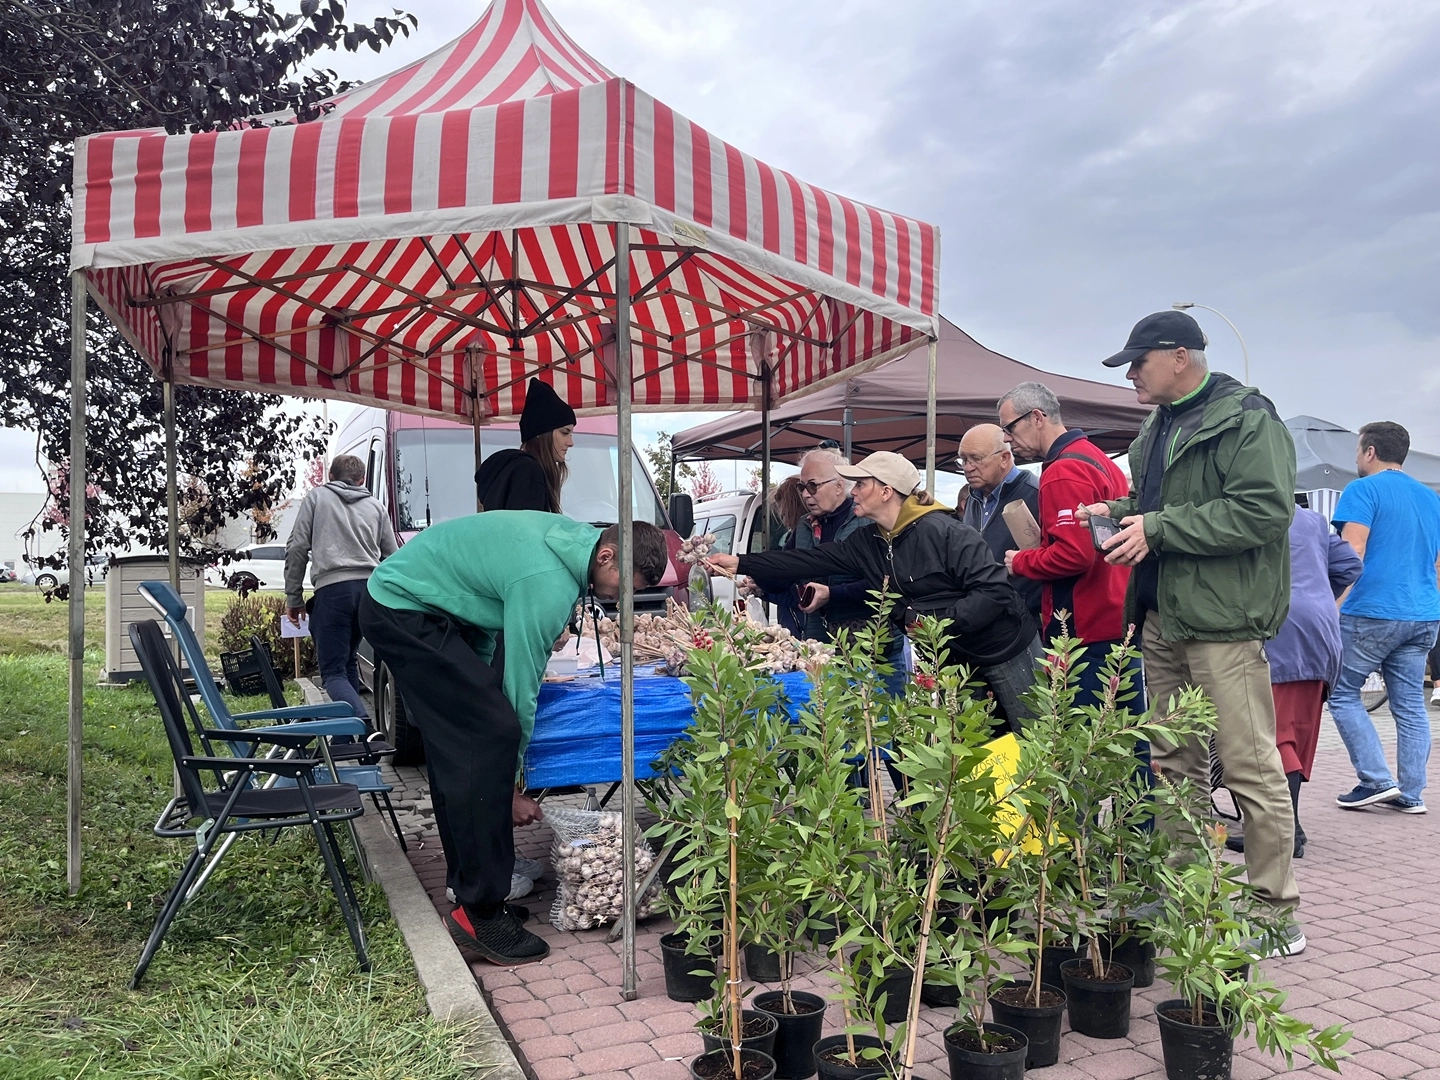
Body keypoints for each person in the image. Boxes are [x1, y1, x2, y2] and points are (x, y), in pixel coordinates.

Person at [1077, 309, 1304, 955]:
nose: (1131, 376)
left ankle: (1274, 912)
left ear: (1180, 356)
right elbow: (1160, 508)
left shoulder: (1247, 417)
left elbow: (1263, 511)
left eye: (1138, 362)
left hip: (1223, 623)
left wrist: (1157, 528)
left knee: (1248, 764)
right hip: (1161, 616)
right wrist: (1119, 511)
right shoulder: (1158, 426)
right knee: (1175, 762)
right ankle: (1185, 892)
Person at [359, 514, 669, 965]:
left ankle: (471, 896)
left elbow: (483, 623)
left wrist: (485, 692)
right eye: (624, 587)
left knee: (462, 742)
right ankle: (482, 915)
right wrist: (512, 781)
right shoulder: (549, 582)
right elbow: (521, 686)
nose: (623, 599)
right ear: (607, 556)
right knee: (490, 732)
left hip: (423, 607)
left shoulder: (569, 546)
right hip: (402, 609)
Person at [709, 451, 1043, 730]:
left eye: (861, 484)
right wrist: (740, 563)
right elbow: (807, 560)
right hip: (956, 657)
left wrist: (933, 623)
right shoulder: (869, 541)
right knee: (979, 748)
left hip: (1005, 648)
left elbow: (993, 591)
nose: (853, 491)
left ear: (886, 491)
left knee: (1035, 741)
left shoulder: (944, 531)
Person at [1226, 505, 1361, 858]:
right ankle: (1287, 827)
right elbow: (1350, 565)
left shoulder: (1244, 513)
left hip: (1277, 629)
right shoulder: (1312, 519)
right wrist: (1317, 592)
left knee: (1272, 737)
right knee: (1296, 735)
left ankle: (1283, 832)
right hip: (1322, 629)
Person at [1327, 422, 1440, 814]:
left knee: (1341, 692)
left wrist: (1333, 604)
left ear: (1370, 452)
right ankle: (1412, 793)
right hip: (1423, 613)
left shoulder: (1361, 490)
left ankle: (1376, 780)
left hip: (1371, 609)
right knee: (1410, 705)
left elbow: (1352, 551)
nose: (1357, 458)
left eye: (1358, 450)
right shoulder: (1430, 497)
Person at [995, 383, 1131, 704]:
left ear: (1037, 417)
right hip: (1116, 618)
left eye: (1009, 428)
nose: (1007, 439)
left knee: (1083, 730)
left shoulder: (1063, 470)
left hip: (1083, 630)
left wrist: (1021, 561)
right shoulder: (1098, 458)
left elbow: (1075, 555)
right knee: (1123, 727)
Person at [284, 454, 398, 721]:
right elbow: (393, 557)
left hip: (333, 593)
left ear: (331, 476)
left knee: (333, 673)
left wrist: (294, 598)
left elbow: (297, 547)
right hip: (369, 595)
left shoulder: (317, 498)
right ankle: (345, 738)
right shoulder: (376, 507)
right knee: (347, 662)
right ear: (362, 480)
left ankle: (361, 724)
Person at [956, 424, 1042, 622]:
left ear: (1004, 458)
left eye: (976, 458)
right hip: (983, 618)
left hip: (1025, 620)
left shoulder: (1036, 494)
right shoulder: (973, 498)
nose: (968, 467)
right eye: (964, 460)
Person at [475, 378, 576, 513]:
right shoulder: (529, 472)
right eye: (565, 432)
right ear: (541, 433)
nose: (570, 443)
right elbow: (528, 526)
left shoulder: (514, 470)